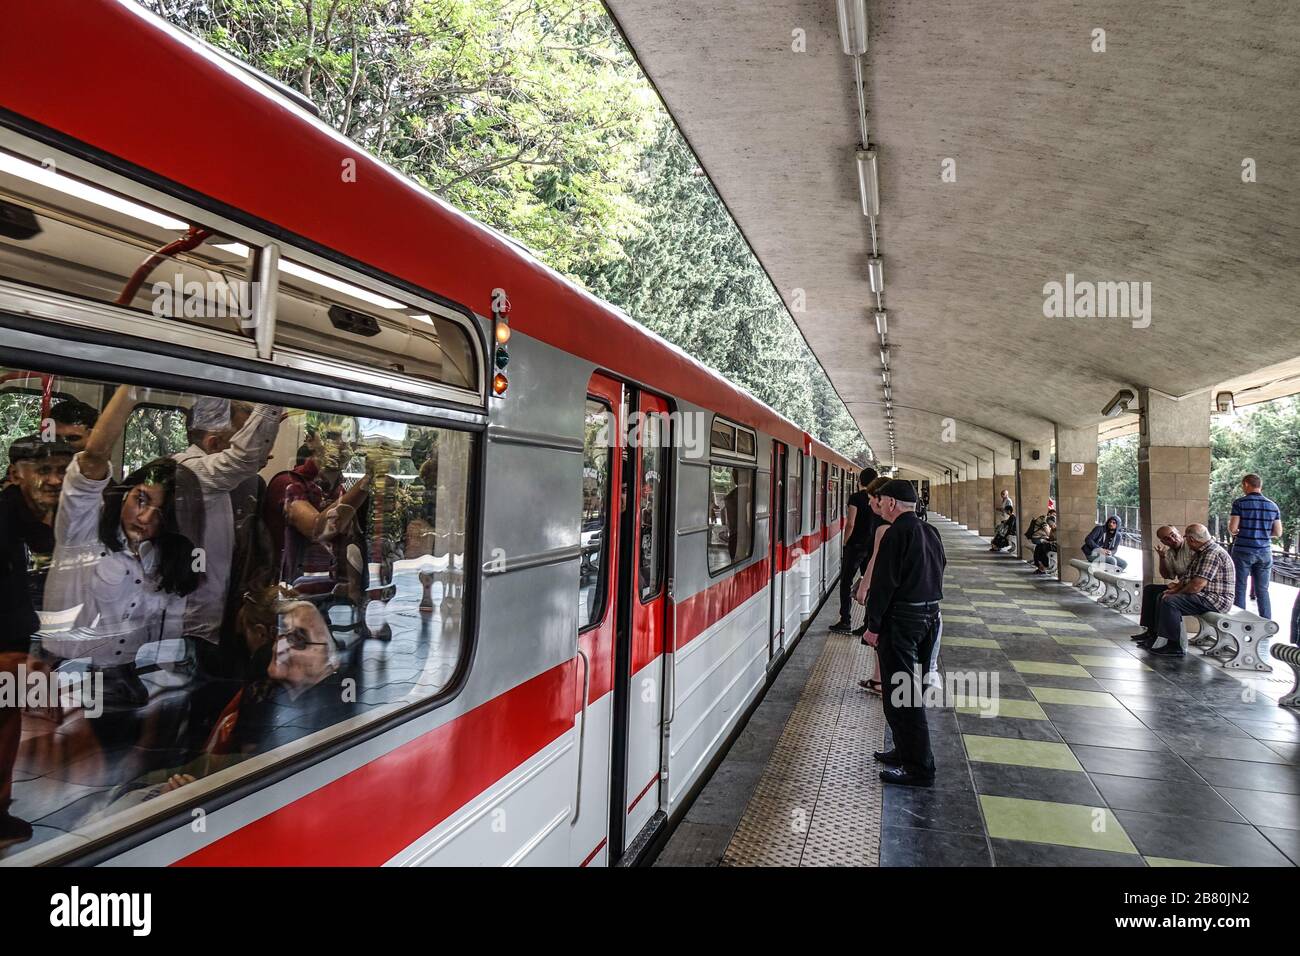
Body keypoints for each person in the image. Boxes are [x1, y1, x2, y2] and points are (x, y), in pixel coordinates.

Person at [40, 385, 204, 705]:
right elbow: (94, 457)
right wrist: (131, 384)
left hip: (133, 680)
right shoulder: (82, 531)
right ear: (126, 492)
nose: (144, 518)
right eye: (140, 499)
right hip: (65, 681)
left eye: (160, 513)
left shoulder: (167, 559)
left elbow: (167, 636)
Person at [0, 435, 73, 846]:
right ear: (15, 474)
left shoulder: (39, 521)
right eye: (43, 470)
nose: (54, 480)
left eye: (61, 471)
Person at [171, 396, 281, 670]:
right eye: (244, 439)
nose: (261, 452)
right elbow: (242, 460)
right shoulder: (186, 473)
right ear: (215, 444)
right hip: (188, 629)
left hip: (226, 619)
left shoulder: (248, 486)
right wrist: (273, 400)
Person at [862, 479, 946, 787]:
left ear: (893, 503)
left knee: (902, 695)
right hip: (930, 617)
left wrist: (873, 627)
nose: (880, 505)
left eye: (882, 500)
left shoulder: (896, 534)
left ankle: (919, 768)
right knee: (909, 690)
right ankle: (904, 750)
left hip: (903, 620)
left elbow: (884, 585)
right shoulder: (930, 531)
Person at [1147, 524, 1234, 658]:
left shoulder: (1212, 553)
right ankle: (1155, 636)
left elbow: (1197, 585)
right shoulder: (1201, 552)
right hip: (1204, 595)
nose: (1183, 540)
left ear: (1192, 540)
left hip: (1216, 599)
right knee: (1162, 595)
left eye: (1185, 538)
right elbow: (1187, 578)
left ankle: (1175, 646)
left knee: (1170, 602)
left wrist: (1176, 593)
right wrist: (1175, 589)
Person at [829, 468, 878, 633]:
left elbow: (850, 523)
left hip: (856, 546)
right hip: (871, 547)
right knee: (868, 583)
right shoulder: (878, 499)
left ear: (860, 481)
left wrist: (845, 543)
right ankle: (866, 623)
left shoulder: (856, 498)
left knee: (846, 582)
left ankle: (845, 620)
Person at [1228, 474, 1282, 620]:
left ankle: (1239, 621)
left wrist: (1244, 531)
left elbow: (1233, 528)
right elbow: (1278, 532)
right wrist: (1262, 534)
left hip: (1243, 551)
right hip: (1265, 552)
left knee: (1239, 587)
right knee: (1263, 590)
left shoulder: (1239, 503)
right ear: (1260, 486)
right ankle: (1266, 622)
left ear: (1246, 484)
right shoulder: (1272, 506)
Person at [1130, 525, 1194, 647]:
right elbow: (1167, 575)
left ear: (1179, 533)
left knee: (1163, 596)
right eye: (1167, 539)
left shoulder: (1190, 548)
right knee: (1150, 590)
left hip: (1188, 586)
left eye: (1173, 535)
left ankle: (1167, 639)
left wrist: (1178, 586)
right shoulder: (1169, 552)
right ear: (1163, 541)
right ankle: (1150, 631)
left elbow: (1195, 576)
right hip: (1180, 585)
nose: (1172, 539)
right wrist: (1162, 557)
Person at [1025, 508, 1057, 573]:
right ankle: (1041, 565)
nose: (1054, 516)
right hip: (1038, 539)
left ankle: (1042, 566)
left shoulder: (1055, 526)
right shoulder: (1044, 520)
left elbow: (1053, 538)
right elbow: (1050, 536)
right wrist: (1052, 530)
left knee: (1042, 547)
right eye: (1053, 515)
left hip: (1052, 544)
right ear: (1049, 514)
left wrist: (1052, 530)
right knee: (1040, 547)